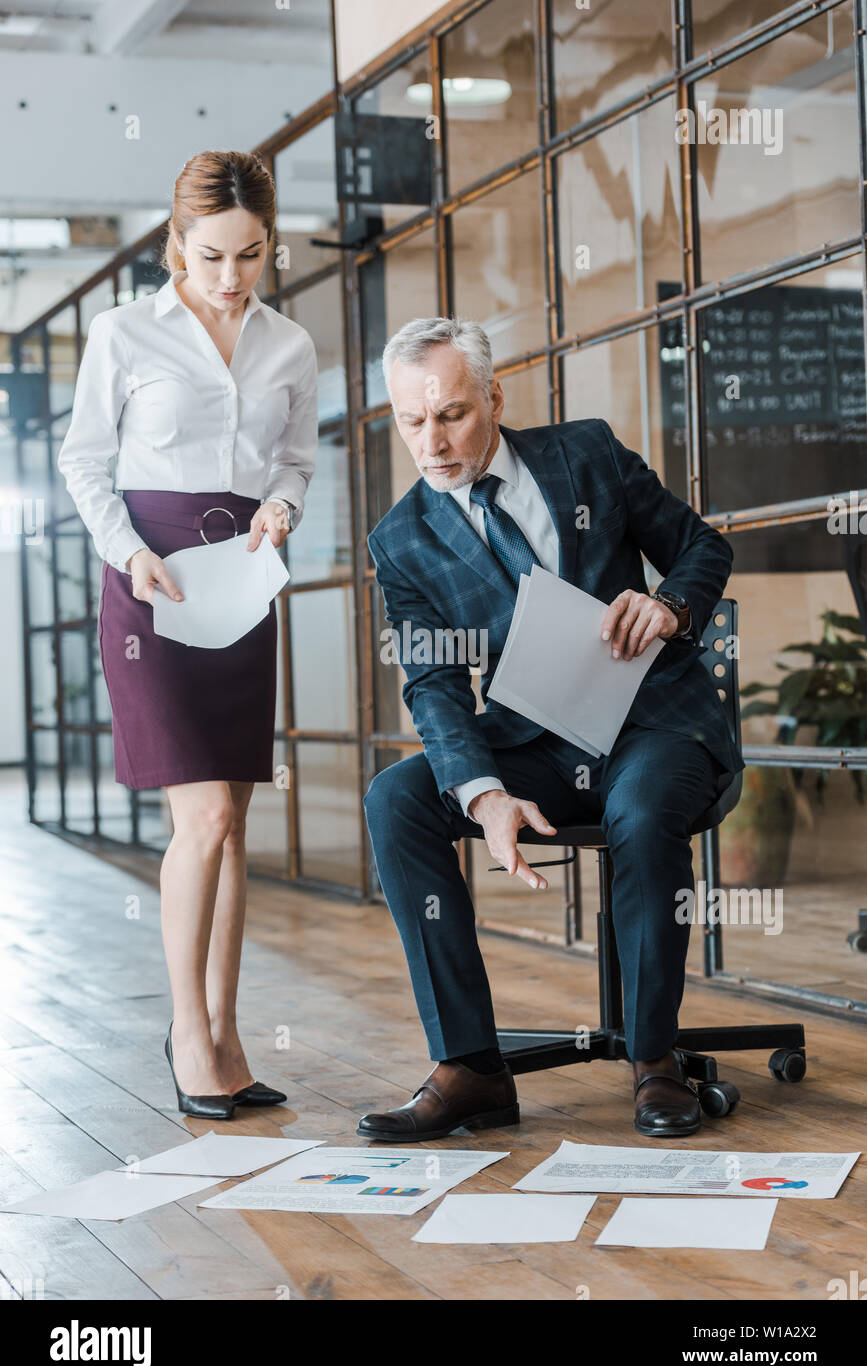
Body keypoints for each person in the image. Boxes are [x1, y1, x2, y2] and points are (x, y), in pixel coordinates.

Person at [359, 317, 744, 1142]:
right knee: (395, 800)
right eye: (411, 420)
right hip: (533, 743)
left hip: (652, 724)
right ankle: (470, 1067)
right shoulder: (401, 540)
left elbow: (699, 548)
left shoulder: (586, 455)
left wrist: (668, 606)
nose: (431, 442)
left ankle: (653, 1060)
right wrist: (485, 793)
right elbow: (432, 683)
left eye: (453, 414)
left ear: (494, 397)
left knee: (640, 814)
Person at [57, 150, 318, 1120]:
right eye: (209, 256)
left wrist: (282, 509)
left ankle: (226, 1028)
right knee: (201, 817)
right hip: (153, 582)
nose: (228, 277)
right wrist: (129, 553)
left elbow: (296, 459)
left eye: (249, 255)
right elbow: (85, 462)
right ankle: (187, 1033)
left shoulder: (289, 344)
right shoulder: (121, 332)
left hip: (243, 582)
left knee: (234, 823)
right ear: (176, 243)